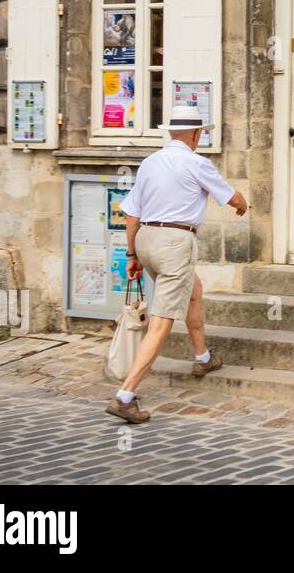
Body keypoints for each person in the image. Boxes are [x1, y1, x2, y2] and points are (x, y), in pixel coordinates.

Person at [105, 106, 248, 424]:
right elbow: (231, 197)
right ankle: (125, 396)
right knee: (161, 322)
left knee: (193, 290)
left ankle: (203, 357)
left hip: (145, 239)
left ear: (171, 132)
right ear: (197, 134)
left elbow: (131, 213)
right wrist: (243, 204)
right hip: (175, 244)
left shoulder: (150, 163)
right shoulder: (197, 163)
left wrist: (132, 256)